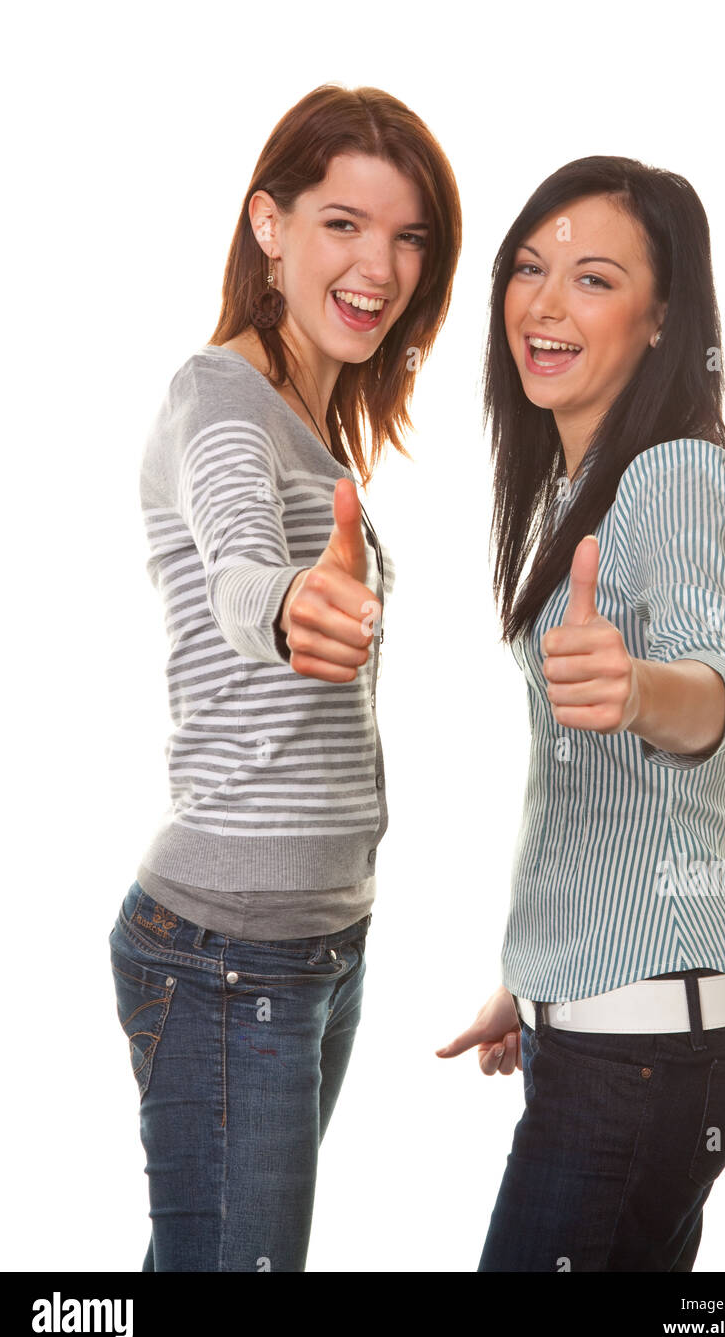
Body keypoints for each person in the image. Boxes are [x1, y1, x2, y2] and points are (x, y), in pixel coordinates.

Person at [109, 83, 462, 1272]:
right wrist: (287, 608)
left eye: (410, 235)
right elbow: (240, 568)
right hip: (226, 951)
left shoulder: (308, 413)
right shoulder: (219, 399)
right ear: (269, 225)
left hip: (315, 941)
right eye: (343, 224)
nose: (383, 264)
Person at [437, 156, 725, 1272]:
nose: (543, 304)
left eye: (591, 279)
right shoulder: (573, 489)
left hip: (644, 1047)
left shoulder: (674, 472)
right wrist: (541, 973)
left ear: (660, 319)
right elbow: (599, 805)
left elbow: (718, 688)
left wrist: (643, 690)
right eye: (529, 268)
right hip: (643, 1018)